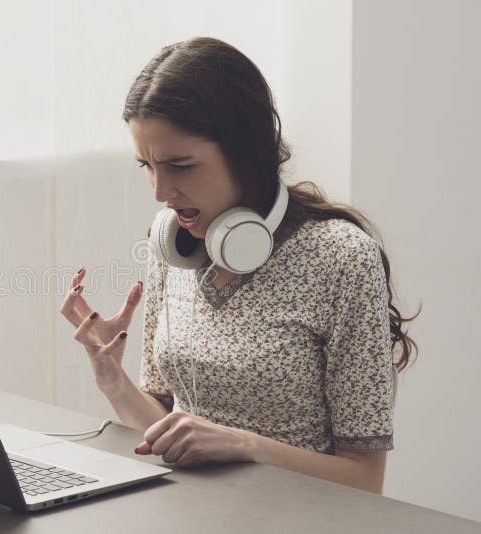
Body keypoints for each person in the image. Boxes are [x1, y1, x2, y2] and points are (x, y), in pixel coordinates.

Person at [59, 36, 418, 495]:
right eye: (146, 165)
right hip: (187, 514)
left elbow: (364, 480)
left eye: (180, 165)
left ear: (245, 150)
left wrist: (246, 445)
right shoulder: (171, 243)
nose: (159, 191)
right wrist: (113, 381)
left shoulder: (342, 258)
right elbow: (165, 430)